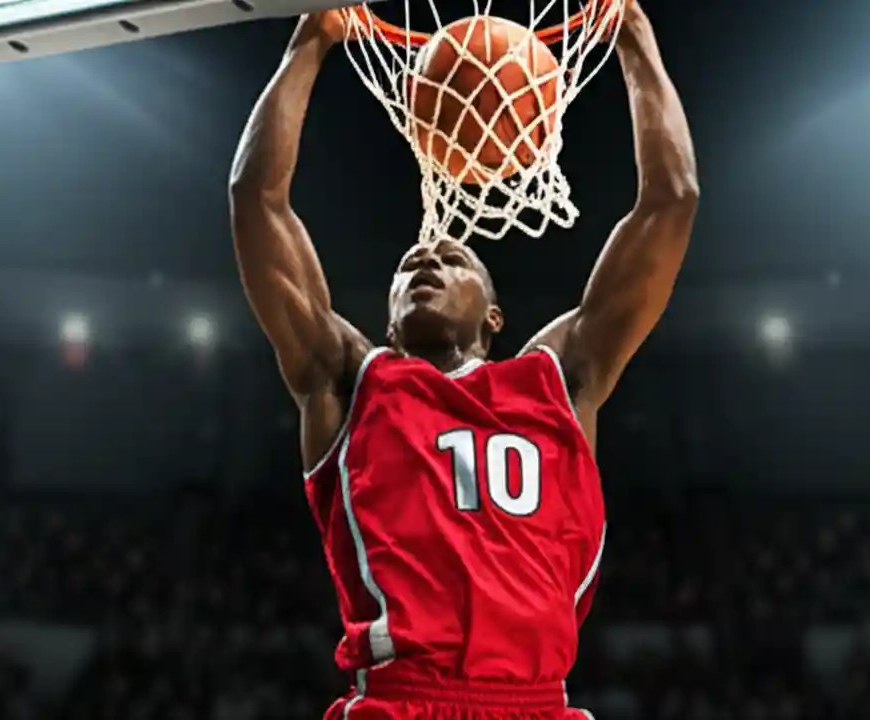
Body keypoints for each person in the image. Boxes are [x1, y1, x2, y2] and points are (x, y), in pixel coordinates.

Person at [229, 0, 697, 716]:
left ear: (495, 316)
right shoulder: (350, 379)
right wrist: (310, 42)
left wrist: (634, 35)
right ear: (388, 325)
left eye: (453, 259)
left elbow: (671, 200)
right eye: (408, 265)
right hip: (403, 700)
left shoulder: (557, 380)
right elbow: (255, 199)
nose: (427, 260)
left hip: (538, 703)